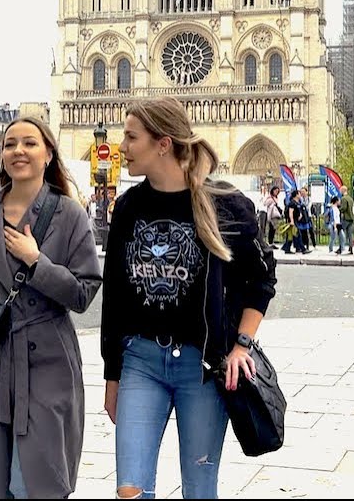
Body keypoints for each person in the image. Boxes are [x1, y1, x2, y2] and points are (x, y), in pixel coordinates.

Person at [101, 97, 278, 499]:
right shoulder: (128, 207)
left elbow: (261, 280)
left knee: (199, 490)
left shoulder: (226, 205)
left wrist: (242, 345)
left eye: (131, 137)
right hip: (140, 363)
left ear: (163, 143)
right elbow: (115, 300)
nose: (121, 146)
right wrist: (112, 374)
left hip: (201, 367)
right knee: (130, 490)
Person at [0, 117, 102, 498]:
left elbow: (83, 292)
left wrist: (37, 263)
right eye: (10, 144)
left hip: (47, 363)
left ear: (48, 153)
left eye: (29, 143)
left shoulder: (70, 214)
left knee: (37, 480)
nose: (18, 151)